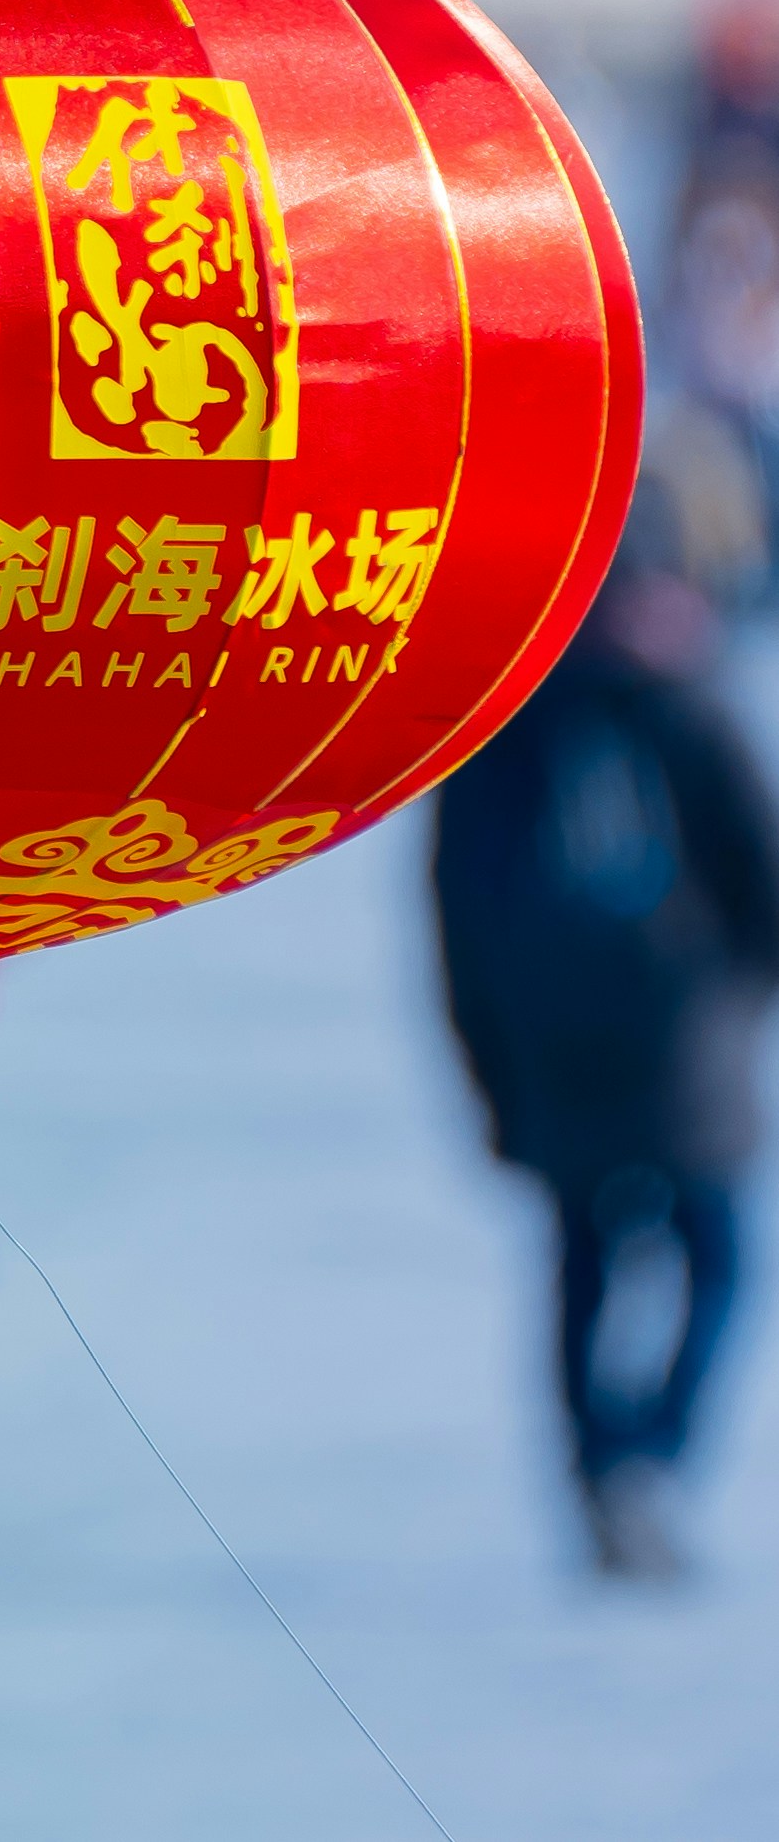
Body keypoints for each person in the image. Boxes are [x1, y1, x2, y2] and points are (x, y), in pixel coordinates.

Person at [435, 526, 779, 1574]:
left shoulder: (525, 725)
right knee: (676, 1254)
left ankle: (614, 1464)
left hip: (632, 1049)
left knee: (638, 1257)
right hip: (652, 1043)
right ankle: (629, 1462)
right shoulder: (672, 707)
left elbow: (457, 918)